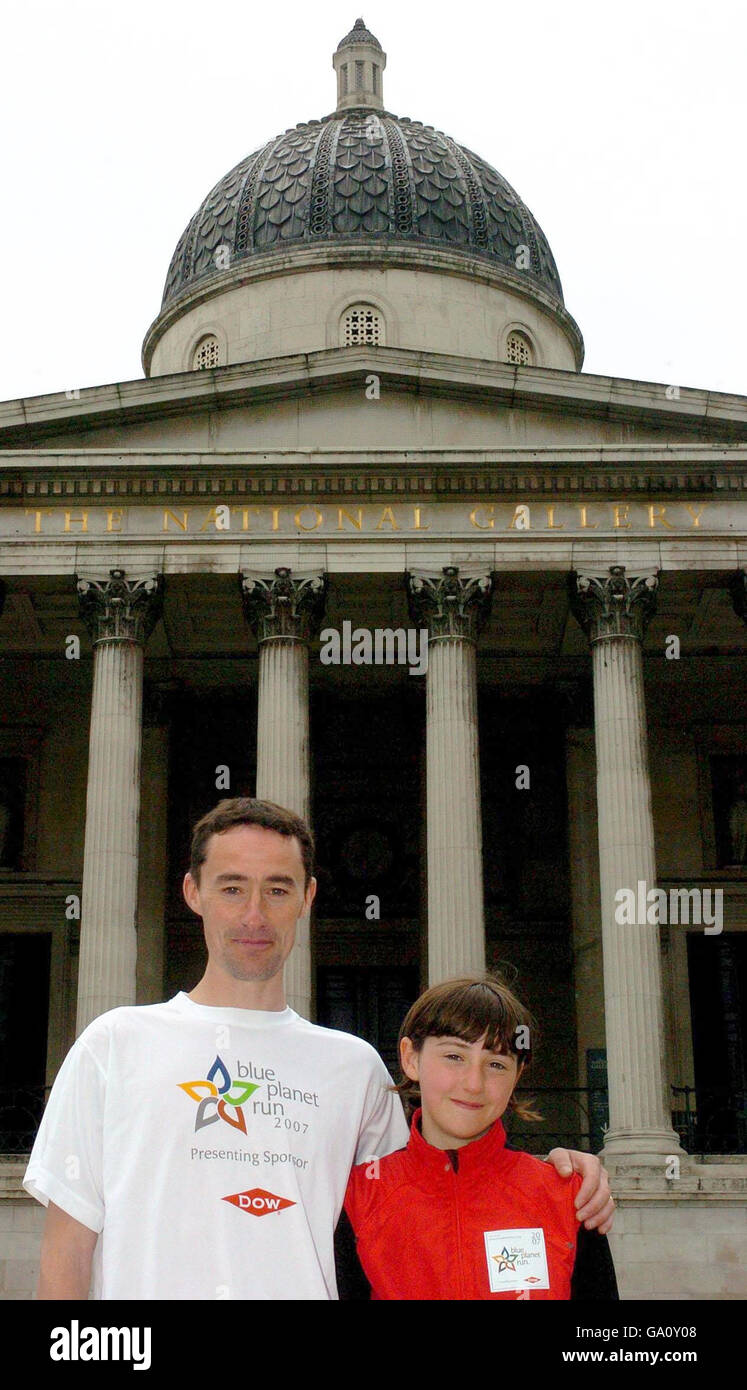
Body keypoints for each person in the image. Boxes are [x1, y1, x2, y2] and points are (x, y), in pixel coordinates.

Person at [25, 797, 614, 1300]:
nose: (254, 915)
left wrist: (557, 1174)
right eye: (232, 887)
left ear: (306, 898)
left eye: (277, 889)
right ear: (193, 892)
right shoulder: (114, 1044)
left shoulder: (353, 1066)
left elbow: (436, 1183)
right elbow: (66, 1256)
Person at [342, 976, 618, 1300]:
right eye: (454, 1057)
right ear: (411, 1058)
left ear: (518, 1076)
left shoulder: (568, 1196)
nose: (474, 1083)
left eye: (497, 1064)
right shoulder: (358, 1197)